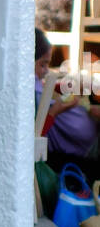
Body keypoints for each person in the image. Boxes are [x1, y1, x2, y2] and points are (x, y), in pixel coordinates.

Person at [35, 27, 100, 183]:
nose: (46, 71)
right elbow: (35, 135)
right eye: (43, 65)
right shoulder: (27, 96)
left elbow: (44, 87)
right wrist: (54, 112)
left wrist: (67, 86)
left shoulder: (35, 82)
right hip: (78, 152)